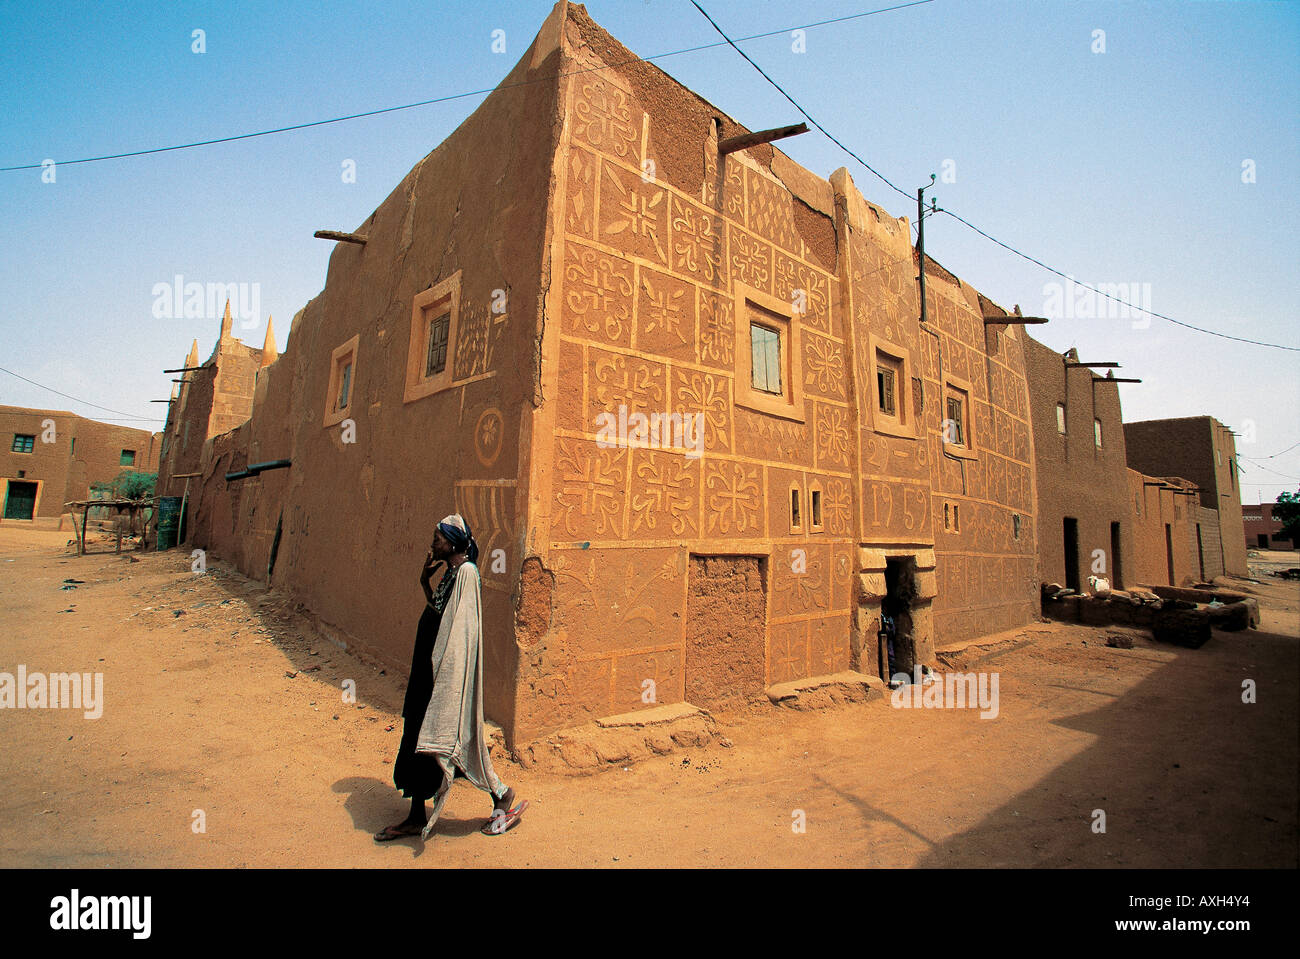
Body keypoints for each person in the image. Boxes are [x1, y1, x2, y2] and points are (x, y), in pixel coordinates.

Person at [374, 513, 526, 841]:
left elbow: (459, 637)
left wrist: (445, 685)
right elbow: (438, 614)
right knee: (419, 740)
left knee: (449, 744)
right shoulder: (450, 574)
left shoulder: (467, 574)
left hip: (440, 678)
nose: (433, 544)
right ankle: (416, 815)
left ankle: (502, 795)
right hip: (426, 674)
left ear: (453, 542)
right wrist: (423, 581)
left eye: (438, 538)